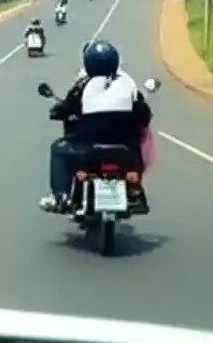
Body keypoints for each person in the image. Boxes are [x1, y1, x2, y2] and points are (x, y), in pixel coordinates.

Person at [39, 40, 151, 215]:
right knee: (139, 147)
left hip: (87, 148)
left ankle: (61, 197)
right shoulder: (128, 85)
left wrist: (57, 111)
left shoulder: (83, 86)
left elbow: (65, 108)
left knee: (59, 149)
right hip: (125, 149)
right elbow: (144, 114)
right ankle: (135, 191)